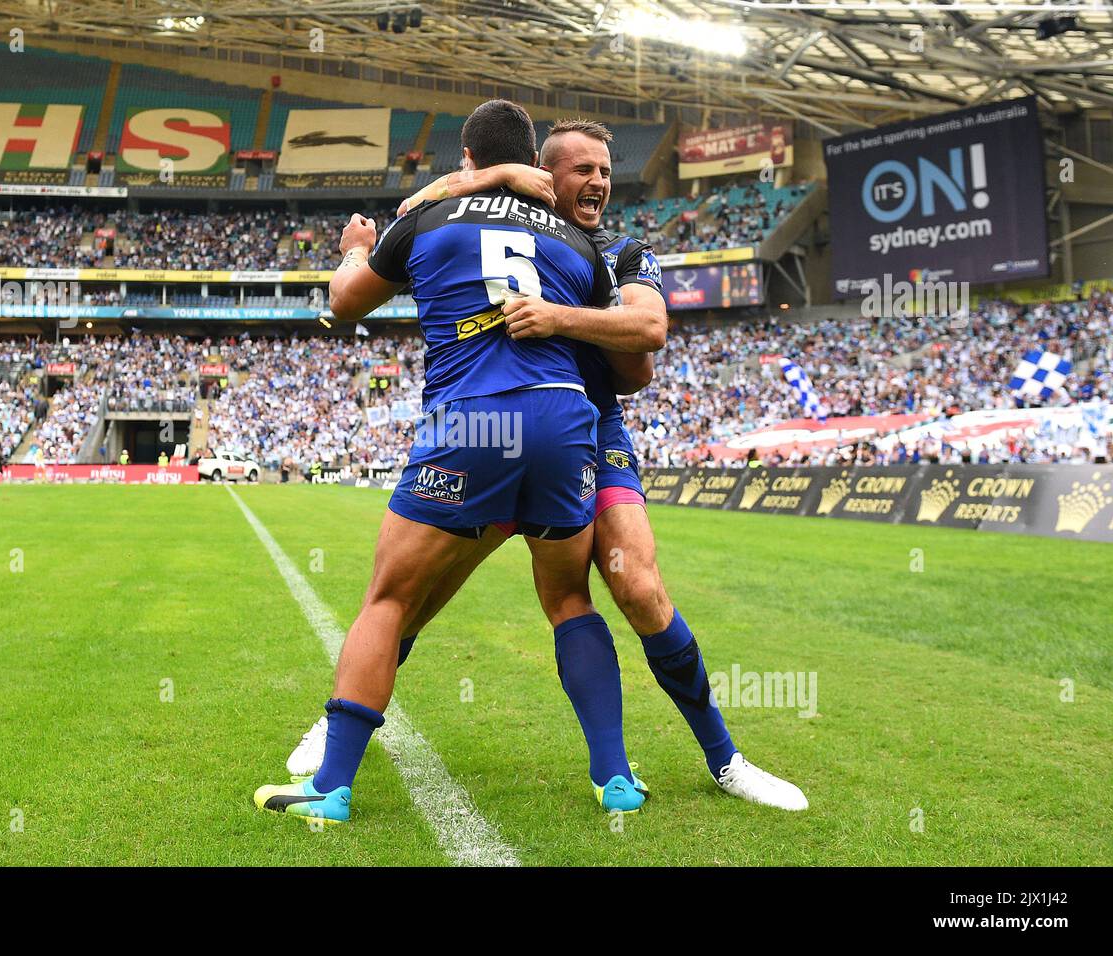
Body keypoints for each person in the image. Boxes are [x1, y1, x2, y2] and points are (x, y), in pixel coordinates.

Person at [286, 118, 806, 811]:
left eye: (604, 171)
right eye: (581, 170)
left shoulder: (617, 251)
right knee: (420, 599)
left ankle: (725, 759)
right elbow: (443, 195)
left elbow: (644, 352)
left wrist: (558, 317)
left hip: (590, 435)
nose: (597, 182)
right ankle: (338, 724)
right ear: (540, 170)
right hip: (548, 433)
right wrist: (489, 178)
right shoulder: (512, 217)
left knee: (638, 591)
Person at [255, 100, 645, 825]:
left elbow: (344, 306)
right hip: (566, 420)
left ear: (467, 159)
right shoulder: (578, 239)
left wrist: (351, 247)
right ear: (532, 162)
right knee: (569, 600)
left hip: (474, 416)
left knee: (390, 600)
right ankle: (615, 776)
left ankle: (333, 785)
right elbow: (629, 362)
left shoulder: (428, 217)